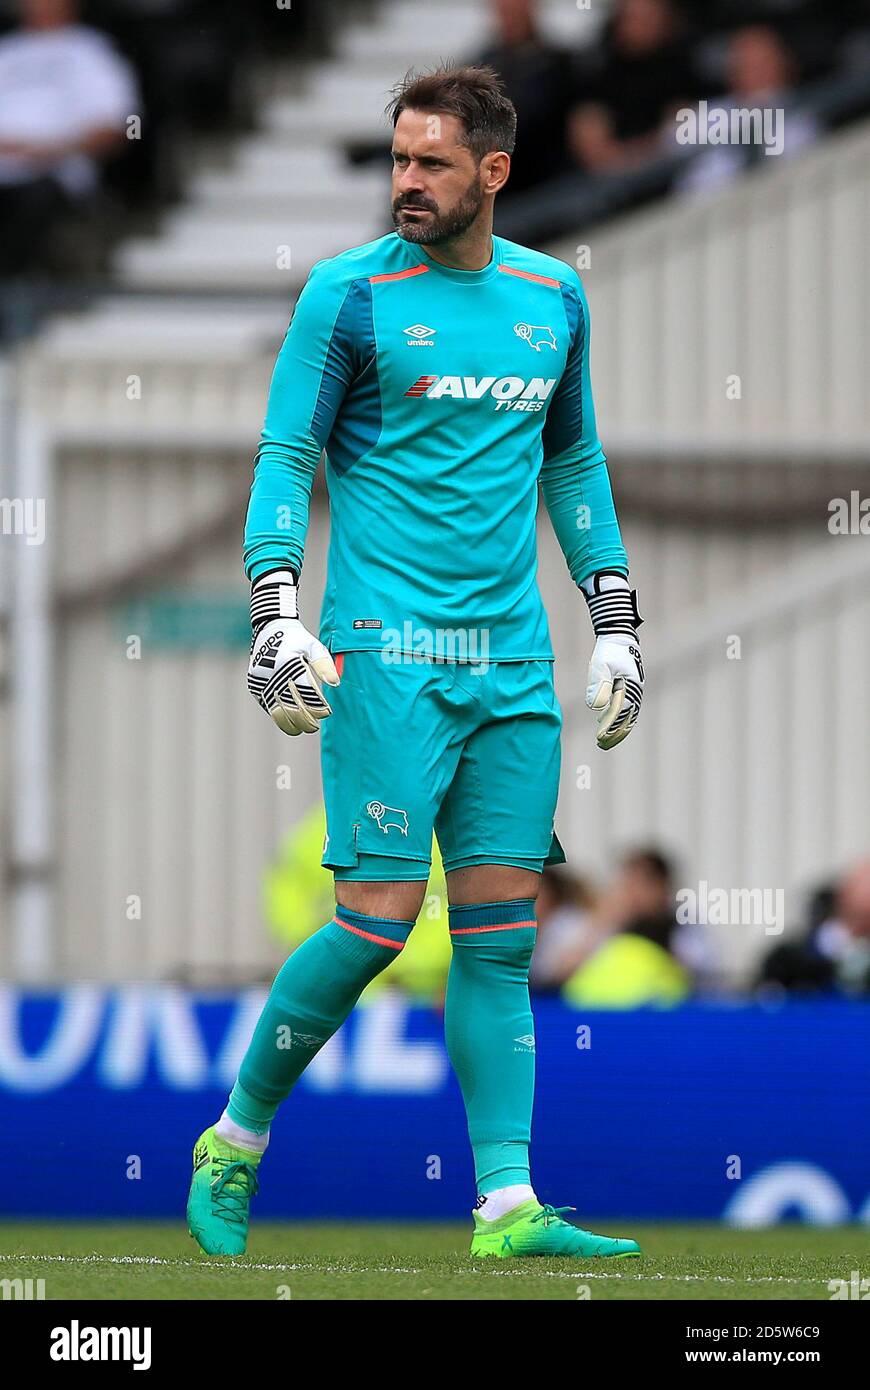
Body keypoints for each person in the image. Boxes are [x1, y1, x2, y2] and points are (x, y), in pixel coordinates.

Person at [187, 64, 645, 1262]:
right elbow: (285, 455)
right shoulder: (348, 297)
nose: (408, 182)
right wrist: (276, 610)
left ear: (494, 170)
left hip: (513, 663)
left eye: (432, 162)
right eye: (398, 158)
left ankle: (507, 1207)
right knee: (380, 922)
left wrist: (618, 623)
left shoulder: (554, 294)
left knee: (500, 939)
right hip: (386, 652)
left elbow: (576, 464)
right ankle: (233, 1141)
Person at [0, 0, 138, 274]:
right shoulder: (6, 50)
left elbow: (130, 123)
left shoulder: (95, 50)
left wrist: (52, 150)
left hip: (55, 173)